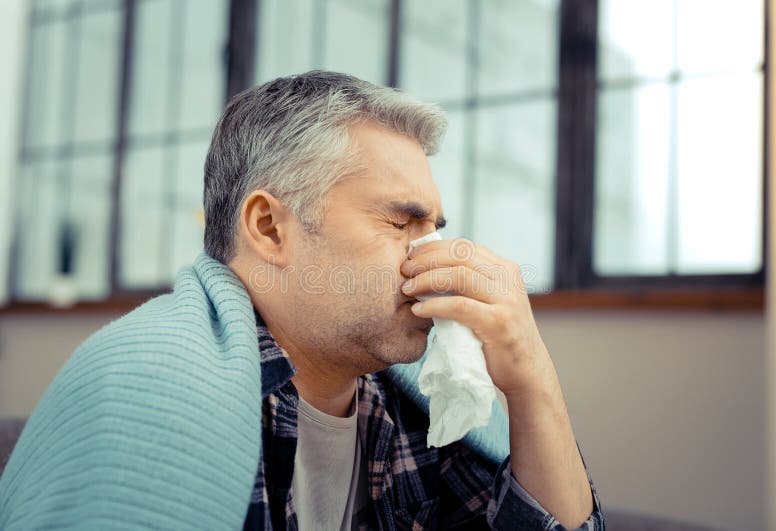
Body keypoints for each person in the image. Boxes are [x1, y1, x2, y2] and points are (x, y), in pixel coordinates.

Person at [0, 71, 604, 530]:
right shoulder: (146, 387)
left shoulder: (412, 401)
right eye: (402, 224)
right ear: (269, 228)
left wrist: (532, 380)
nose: (435, 257)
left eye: (434, 229)